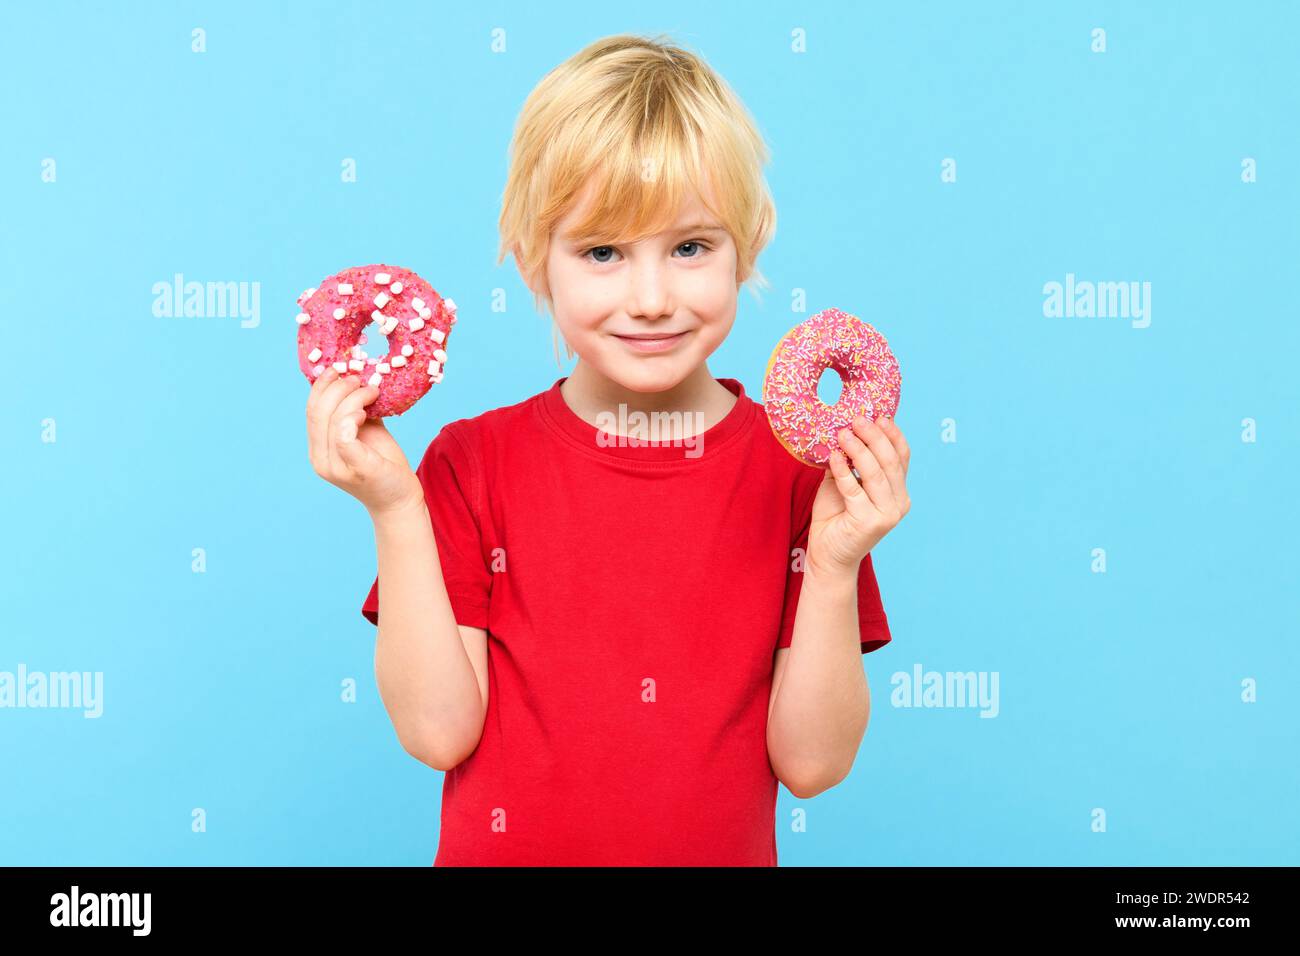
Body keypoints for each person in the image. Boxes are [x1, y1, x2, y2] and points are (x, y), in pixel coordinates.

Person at [305, 33, 911, 866]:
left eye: (691, 247)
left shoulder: (800, 477)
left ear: (748, 246)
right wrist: (394, 508)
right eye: (602, 253)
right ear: (532, 263)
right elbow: (438, 733)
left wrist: (837, 561)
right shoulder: (469, 465)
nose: (653, 298)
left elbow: (812, 766)